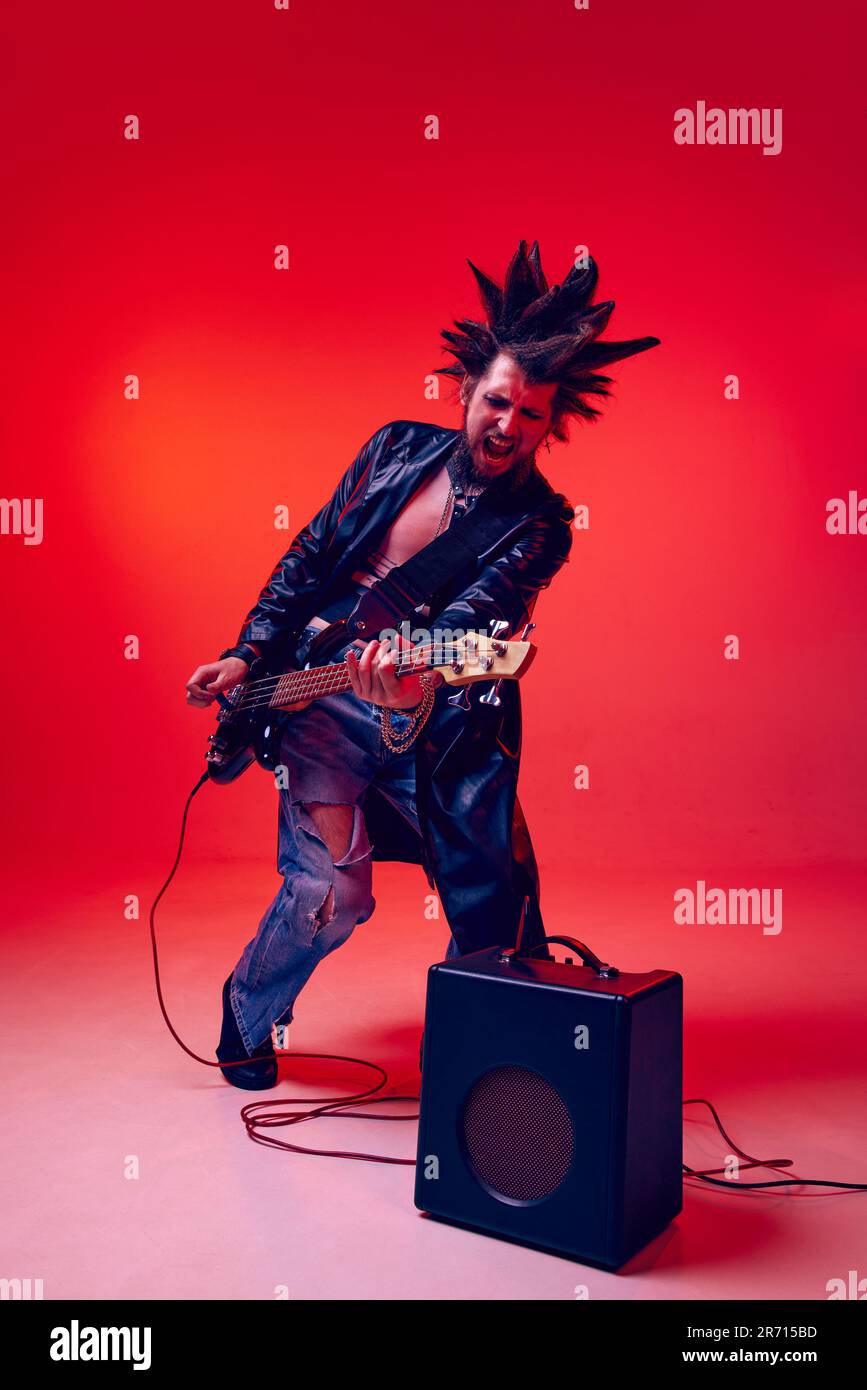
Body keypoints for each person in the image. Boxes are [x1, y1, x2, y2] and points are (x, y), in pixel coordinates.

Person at [185, 239, 659, 1088]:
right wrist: (247, 651)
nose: (508, 427)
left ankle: (493, 1076)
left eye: (532, 416)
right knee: (330, 897)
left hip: (439, 723)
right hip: (315, 705)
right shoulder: (392, 449)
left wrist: (408, 695)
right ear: (467, 389)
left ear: (554, 424)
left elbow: (479, 625)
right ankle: (249, 1008)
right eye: (497, 403)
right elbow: (311, 552)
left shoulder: (540, 526)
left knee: (494, 908)